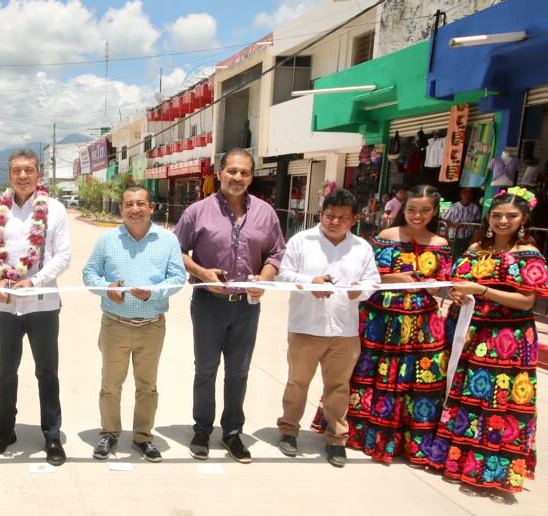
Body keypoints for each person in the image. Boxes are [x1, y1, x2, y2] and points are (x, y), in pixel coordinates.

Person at [312, 185, 452, 466]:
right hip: (380, 318)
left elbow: (443, 287)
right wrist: (394, 279)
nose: (417, 215)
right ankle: (358, 433)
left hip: (421, 324)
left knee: (414, 380)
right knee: (368, 373)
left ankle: (405, 440)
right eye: (411, 209)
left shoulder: (440, 244)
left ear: (434, 212)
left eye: (425, 210)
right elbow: (364, 276)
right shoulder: (385, 237)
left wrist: (446, 290)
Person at [174, 147, 285, 463]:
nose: (237, 177)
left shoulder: (265, 213)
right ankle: (202, 430)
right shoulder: (197, 212)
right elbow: (176, 250)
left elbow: (277, 253)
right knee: (206, 370)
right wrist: (201, 272)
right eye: (232, 171)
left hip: (246, 307)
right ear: (219, 173)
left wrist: (263, 278)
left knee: (238, 372)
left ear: (252, 177)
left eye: (245, 173)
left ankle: (233, 433)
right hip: (209, 303)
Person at [435, 188, 547, 502]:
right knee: (469, 397)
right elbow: (458, 283)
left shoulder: (528, 254)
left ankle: (491, 471)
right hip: (472, 333)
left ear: (524, 218)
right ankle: (460, 462)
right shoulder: (474, 248)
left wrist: (482, 291)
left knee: (498, 403)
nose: (502, 221)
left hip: (507, 340)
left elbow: (526, 301)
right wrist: (458, 293)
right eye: (497, 215)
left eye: (511, 216)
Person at [275, 189, 380, 468]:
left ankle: (336, 439)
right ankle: (288, 430)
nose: (334, 222)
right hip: (306, 327)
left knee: (338, 386)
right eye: (329, 216)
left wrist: (362, 291)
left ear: (354, 219)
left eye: (342, 218)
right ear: (321, 215)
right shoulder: (301, 241)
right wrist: (311, 282)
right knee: (298, 382)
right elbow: (284, 274)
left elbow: (373, 281)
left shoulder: (362, 248)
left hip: (344, 331)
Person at [0, 148, 72, 466]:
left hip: (42, 304)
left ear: (39, 174)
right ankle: (6, 431)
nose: (22, 176)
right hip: (6, 306)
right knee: (6, 372)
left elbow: (63, 256)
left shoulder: (55, 210)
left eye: (28, 170)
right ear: (9, 175)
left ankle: (52, 435)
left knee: (47, 372)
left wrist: (33, 282)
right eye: (16, 170)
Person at [82, 186, 187, 462]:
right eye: (129, 204)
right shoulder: (107, 240)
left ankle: (143, 437)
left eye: (141, 203)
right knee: (110, 384)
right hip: (115, 325)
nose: (135, 209)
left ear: (151, 207)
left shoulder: (167, 240)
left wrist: (154, 291)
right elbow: (89, 273)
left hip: (151, 326)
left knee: (147, 386)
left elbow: (178, 277)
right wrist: (107, 288)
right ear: (121, 209)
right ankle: (109, 434)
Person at [444, 187, 482, 259]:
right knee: (455, 255)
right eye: (465, 194)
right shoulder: (454, 207)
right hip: (455, 236)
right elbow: (445, 220)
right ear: (461, 195)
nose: (467, 196)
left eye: (469, 194)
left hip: (469, 236)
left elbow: (478, 221)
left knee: (467, 256)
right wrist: (455, 226)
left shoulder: (475, 207)